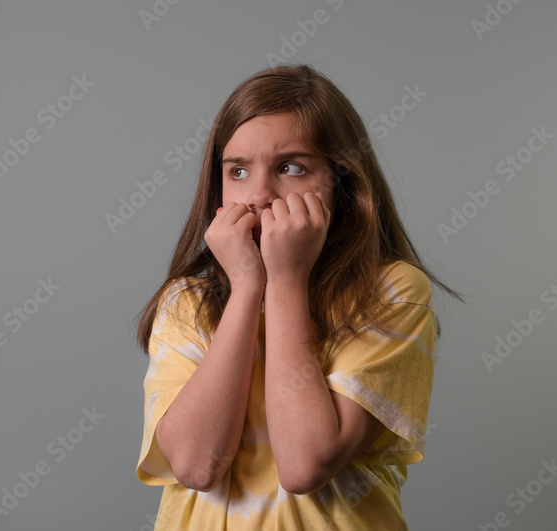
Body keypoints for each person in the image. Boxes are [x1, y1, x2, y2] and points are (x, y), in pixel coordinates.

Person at [133, 64, 464, 529]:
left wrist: (286, 282)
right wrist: (249, 288)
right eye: (239, 171)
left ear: (341, 181)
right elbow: (195, 465)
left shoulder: (394, 292)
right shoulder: (185, 302)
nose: (261, 193)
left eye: (291, 167)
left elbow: (305, 464)